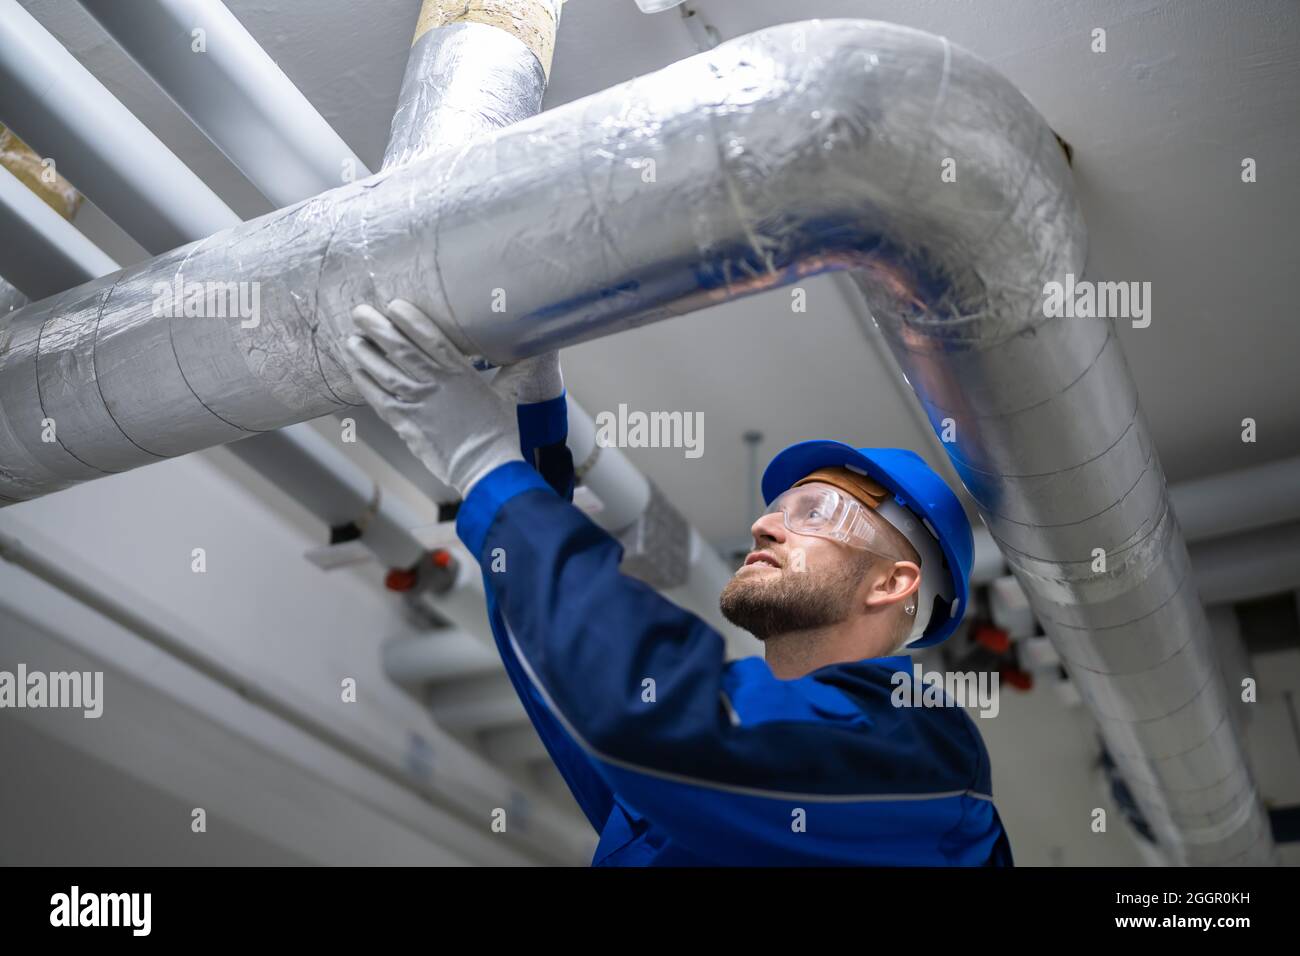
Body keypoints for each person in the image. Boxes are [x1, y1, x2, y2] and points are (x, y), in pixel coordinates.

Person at [344, 298, 1013, 866]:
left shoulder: (925, 751)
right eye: (775, 510)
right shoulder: (694, 783)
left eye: (814, 513)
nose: (763, 526)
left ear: (893, 583)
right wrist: (537, 421)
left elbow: (650, 719)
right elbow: (571, 690)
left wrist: (485, 466)